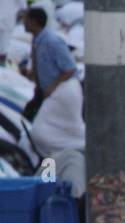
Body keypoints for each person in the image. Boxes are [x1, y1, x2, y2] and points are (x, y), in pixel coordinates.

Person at [20, 7, 83, 158]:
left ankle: (72, 151)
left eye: (26, 19)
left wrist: (52, 87)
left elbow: (70, 69)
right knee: (54, 126)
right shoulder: (37, 40)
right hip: (50, 91)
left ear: (34, 22)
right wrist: (29, 74)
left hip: (63, 91)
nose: (23, 23)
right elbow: (43, 69)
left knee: (42, 131)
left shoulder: (51, 41)